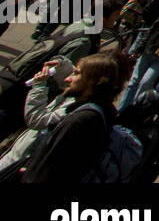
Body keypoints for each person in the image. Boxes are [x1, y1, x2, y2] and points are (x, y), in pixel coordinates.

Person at [21, 53, 123, 183]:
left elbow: (50, 169)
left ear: (93, 81)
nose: (67, 79)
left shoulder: (81, 120)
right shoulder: (93, 111)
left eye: (76, 73)